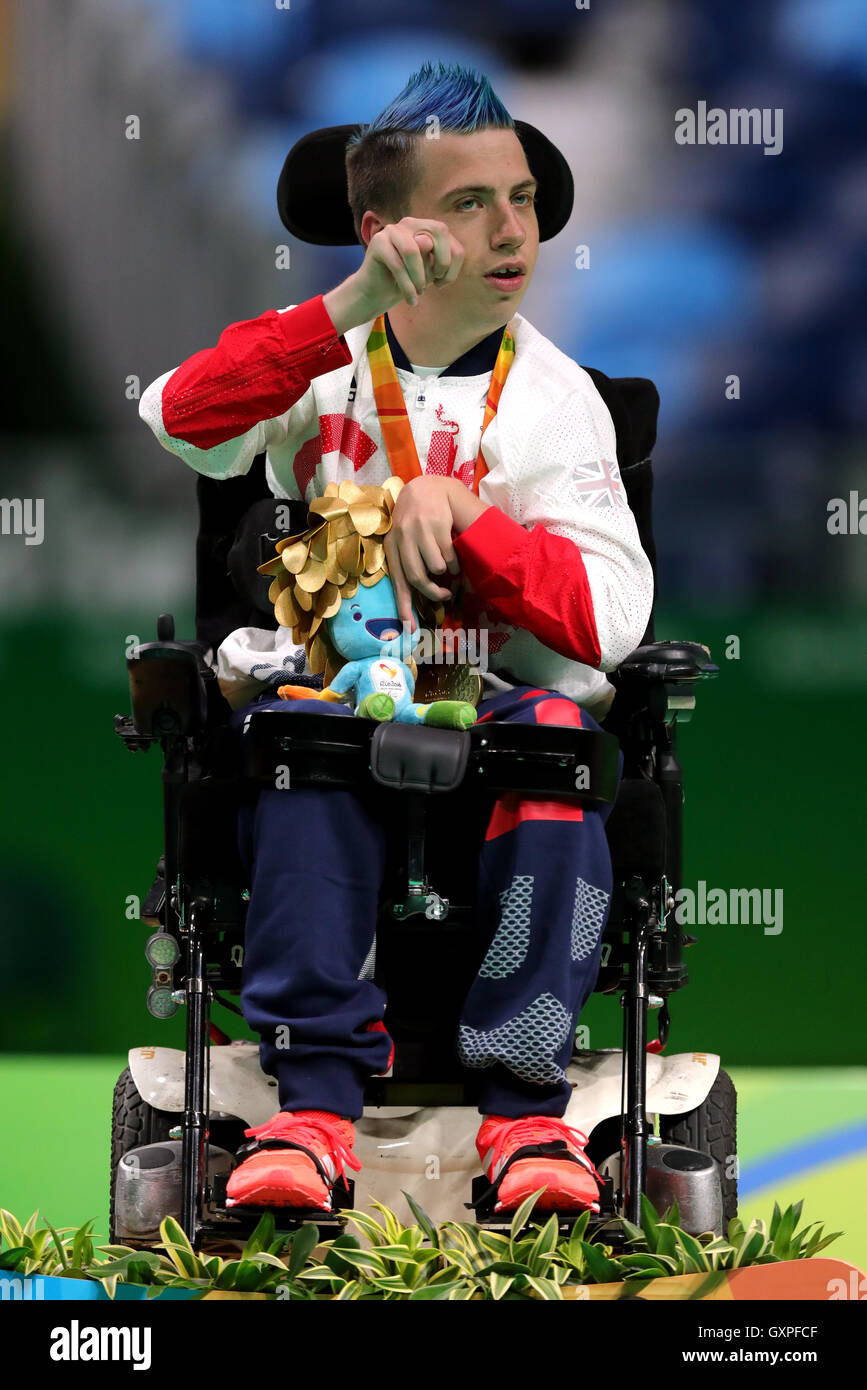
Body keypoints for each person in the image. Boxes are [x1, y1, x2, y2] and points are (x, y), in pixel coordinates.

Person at [139, 61, 654, 1216]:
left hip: (502, 704)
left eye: (522, 199)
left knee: (564, 735)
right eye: (471, 203)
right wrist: (337, 314)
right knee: (301, 733)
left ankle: (526, 1115)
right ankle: (312, 1106)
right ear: (384, 231)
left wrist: (470, 521)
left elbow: (611, 621)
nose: (513, 229)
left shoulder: (560, 401)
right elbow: (177, 420)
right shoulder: (316, 363)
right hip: (340, 697)